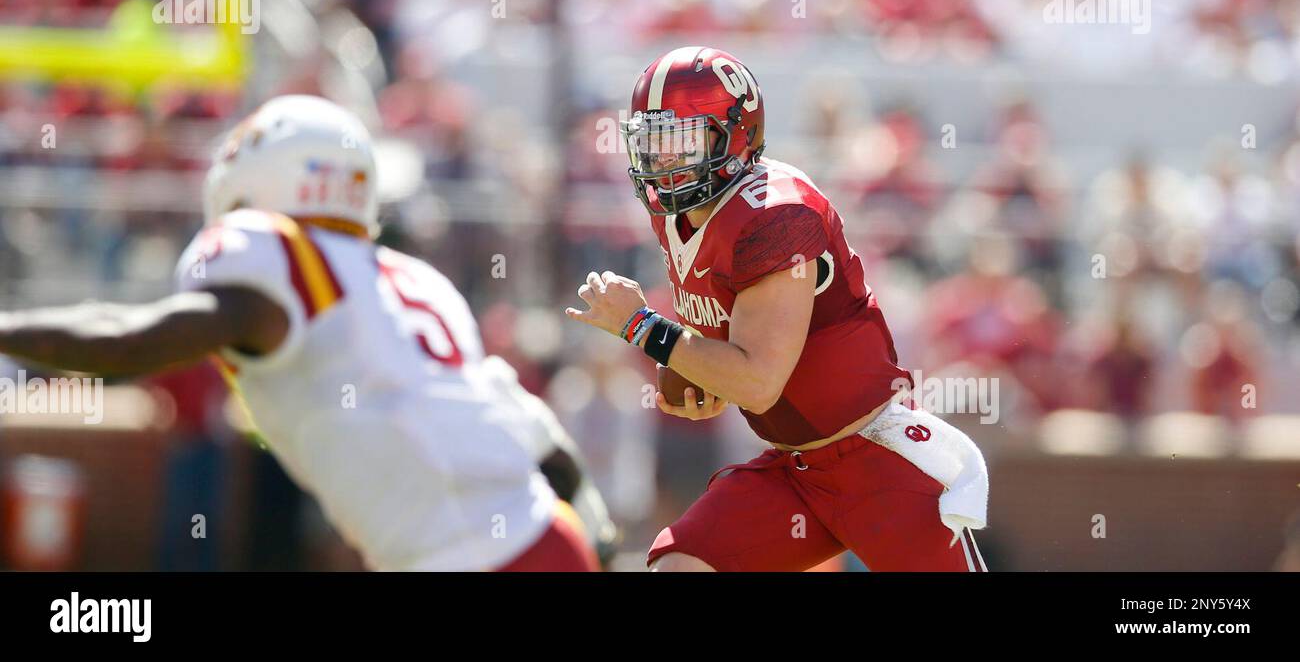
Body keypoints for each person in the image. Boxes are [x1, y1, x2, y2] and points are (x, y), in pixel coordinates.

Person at [0, 95, 602, 572]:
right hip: (546, 537)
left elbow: (127, 339)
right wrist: (593, 539)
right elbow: (536, 439)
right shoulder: (411, 280)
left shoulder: (277, 258)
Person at [566, 46, 989, 572]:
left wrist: (641, 326)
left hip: (877, 462)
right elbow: (730, 354)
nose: (662, 162)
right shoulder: (683, 212)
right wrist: (693, 373)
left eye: (679, 142)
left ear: (732, 134)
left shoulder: (776, 215)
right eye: (652, 143)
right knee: (680, 566)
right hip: (795, 470)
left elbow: (758, 379)